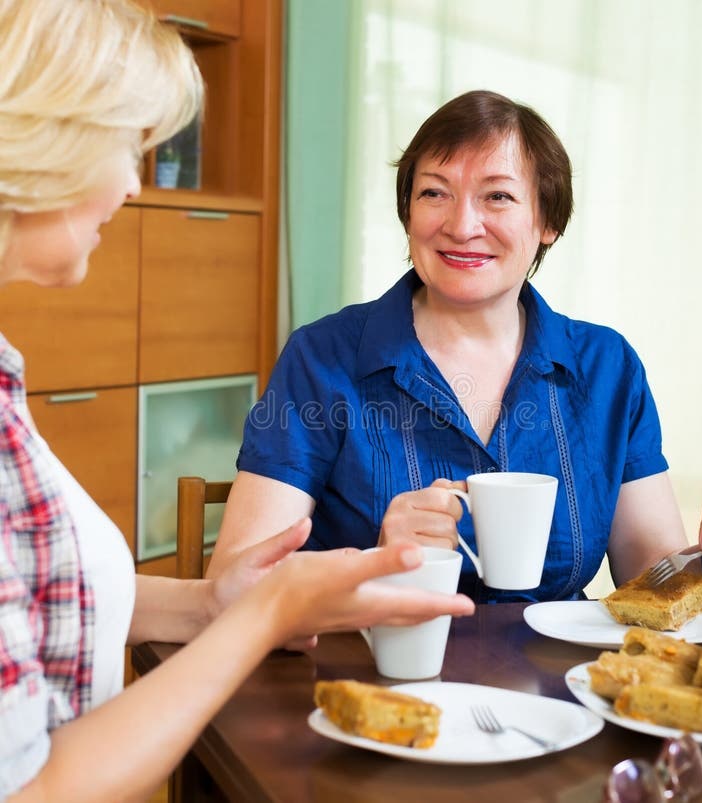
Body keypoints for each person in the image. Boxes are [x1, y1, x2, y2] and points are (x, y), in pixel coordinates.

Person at [0, 3, 475, 800]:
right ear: (44, 143)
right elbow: (29, 786)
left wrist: (209, 603)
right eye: (124, 145)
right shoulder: (326, 353)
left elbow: (46, 591)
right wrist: (263, 613)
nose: (133, 183)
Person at [208, 89, 702, 602]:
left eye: (497, 197)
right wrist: (375, 563)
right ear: (408, 213)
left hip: (563, 688)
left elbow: (652, 581)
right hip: (374, 680)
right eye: (434, 193)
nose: (461, 226)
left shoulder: (606, 368)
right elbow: (232, 583)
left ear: (549, 223)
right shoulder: (323, 357)